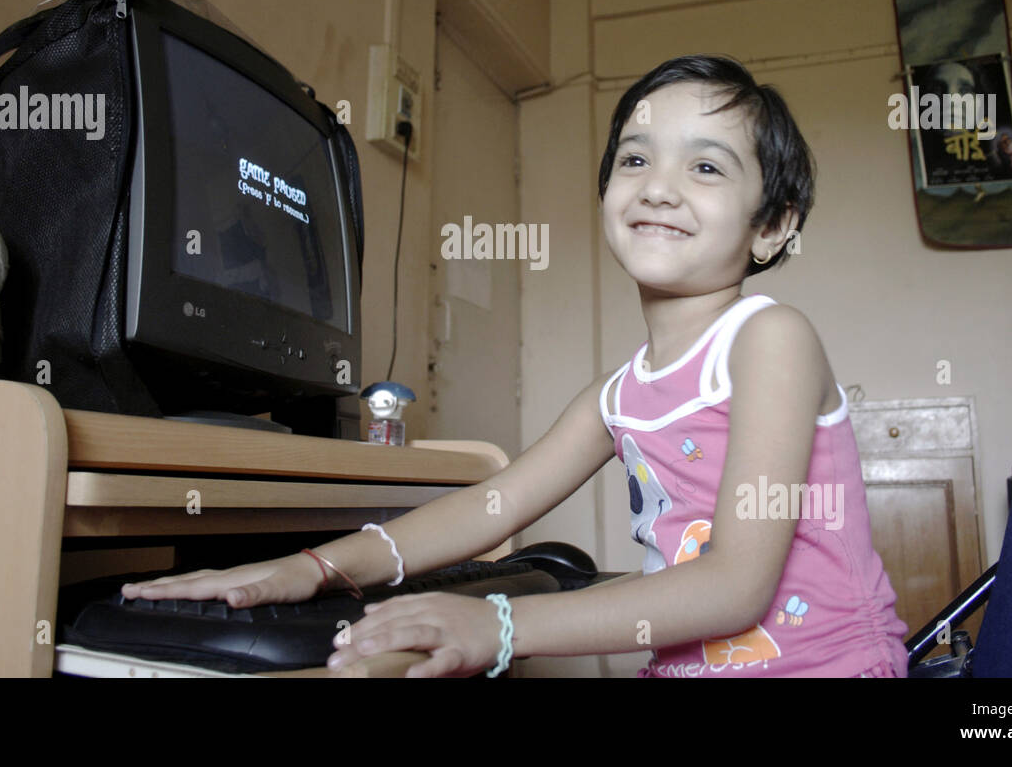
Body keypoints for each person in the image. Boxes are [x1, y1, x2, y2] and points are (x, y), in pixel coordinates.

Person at [121, 54, 909, 678]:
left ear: (771, 225)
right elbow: (493, 505)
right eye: (635, 159)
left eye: (706, 168)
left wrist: (500, 624)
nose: (659, 186)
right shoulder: (618, 395)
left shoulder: (771, 338)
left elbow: (737, 582)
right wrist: (317, 565)